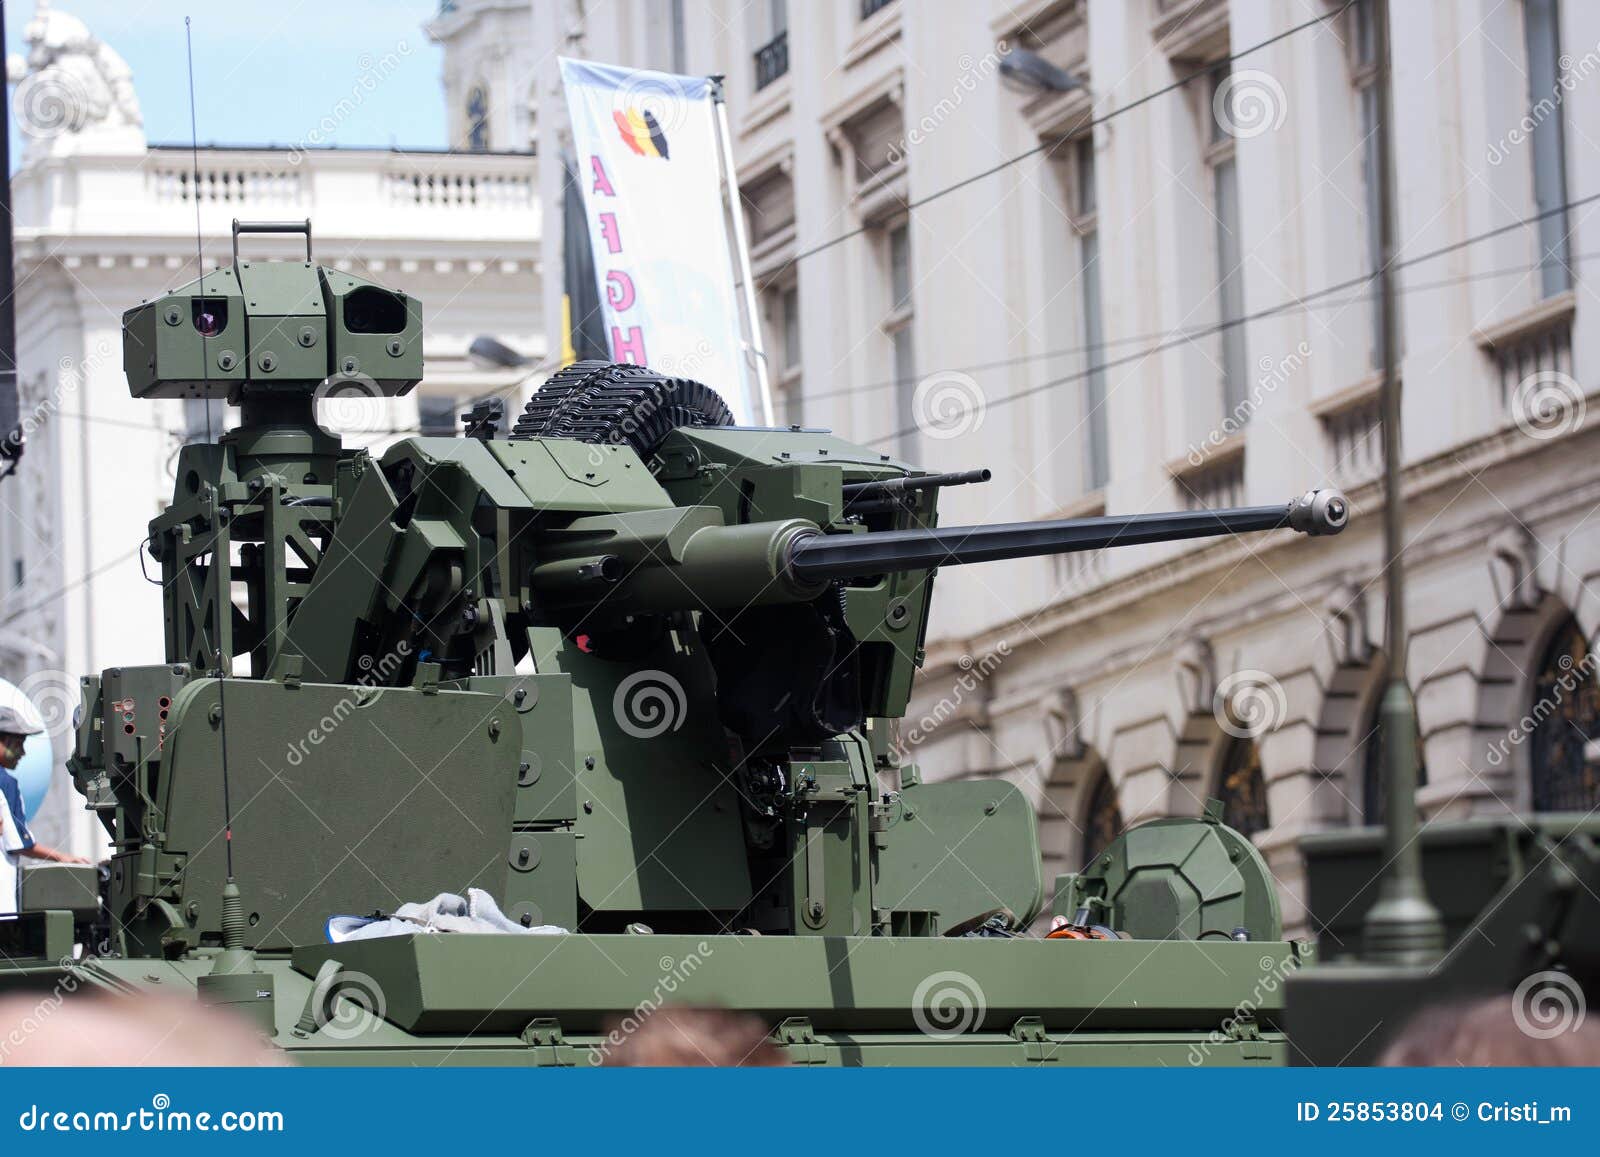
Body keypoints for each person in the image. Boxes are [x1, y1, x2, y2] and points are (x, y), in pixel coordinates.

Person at [0, 705, 88, 916]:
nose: (23, 753)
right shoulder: (5, 783)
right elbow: (19, 843)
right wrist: (63, 858)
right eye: (19, 744)